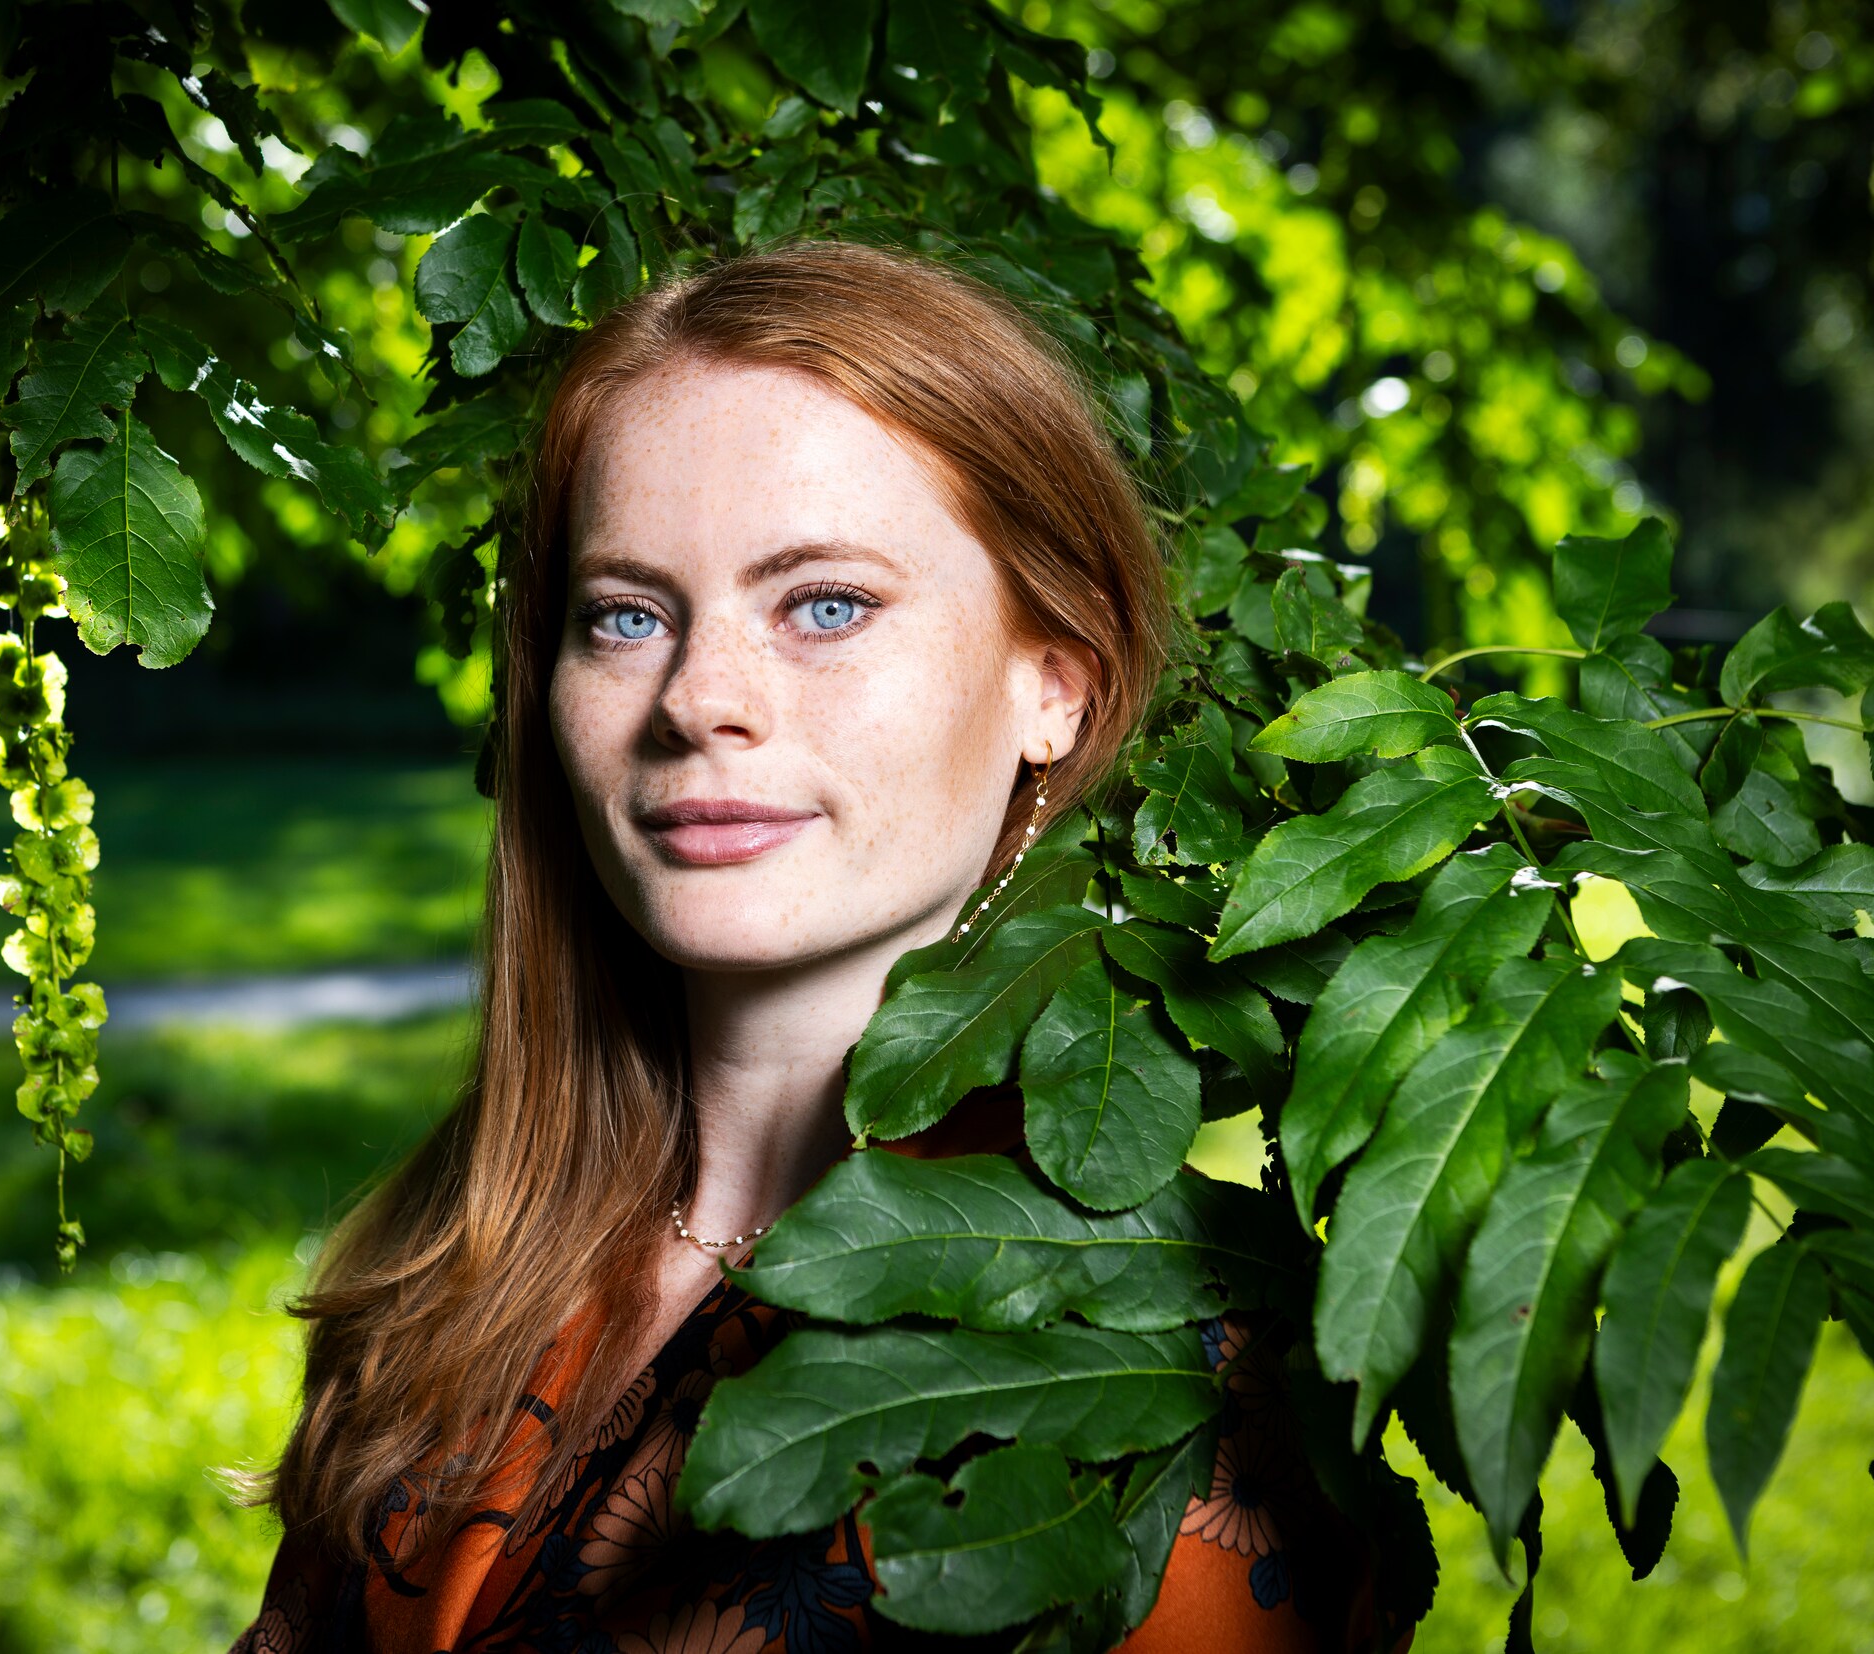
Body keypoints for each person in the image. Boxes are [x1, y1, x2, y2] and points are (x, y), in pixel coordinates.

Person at [230, 238, 1390, 1654]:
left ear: (1057, 689)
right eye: (628, 615)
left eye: (825, 604)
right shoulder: (450, 1268)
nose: (701, 698)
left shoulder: (1158, 1403)